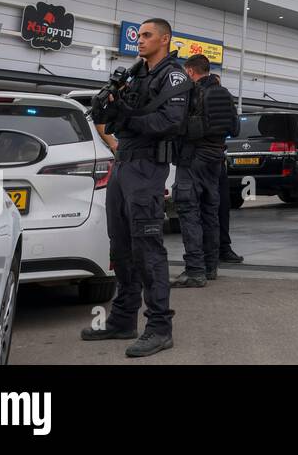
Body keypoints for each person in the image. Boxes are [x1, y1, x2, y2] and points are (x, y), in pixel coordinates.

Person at [83, 18, 188, 357]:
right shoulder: (135, 74)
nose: (139, 40)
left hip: (147, 166)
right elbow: (117, 118)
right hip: (124, 162)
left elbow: (169, 122)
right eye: (138, 35)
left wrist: (128, 117)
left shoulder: (174, 76)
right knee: (121, 244)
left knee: (147, 247)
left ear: (165, 39)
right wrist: (109, 108)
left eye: (146, 35)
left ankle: (159, 327)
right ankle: (123, 319)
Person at [171, 54, 237, 287]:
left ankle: (194, 271)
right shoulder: (225, 94)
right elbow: (235, 128)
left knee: (189, 211)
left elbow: (178, 125)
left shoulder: (191, 93)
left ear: (190, 71)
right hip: (216, 160)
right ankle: (210, 268)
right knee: (211, 213)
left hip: (193, 158)